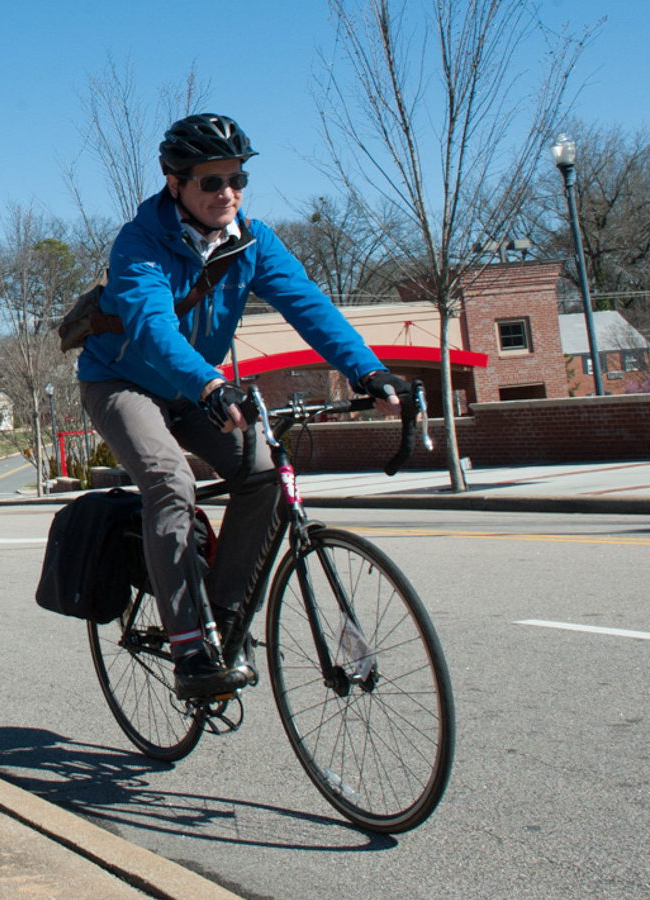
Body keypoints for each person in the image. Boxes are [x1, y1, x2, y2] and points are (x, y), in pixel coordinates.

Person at [78, 113, 412, 699]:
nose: (228, 193)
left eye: (237, 179)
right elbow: (153, 328)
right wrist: (210, 385)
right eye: (212, 181)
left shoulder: (253, 241)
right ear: (175, 182)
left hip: (195, 387)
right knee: (170, 480)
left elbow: (308, 305)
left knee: (264, 475)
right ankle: (190, 650)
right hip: (122, 382)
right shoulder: (140, 243)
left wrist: (368, 369)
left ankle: (226, 618)